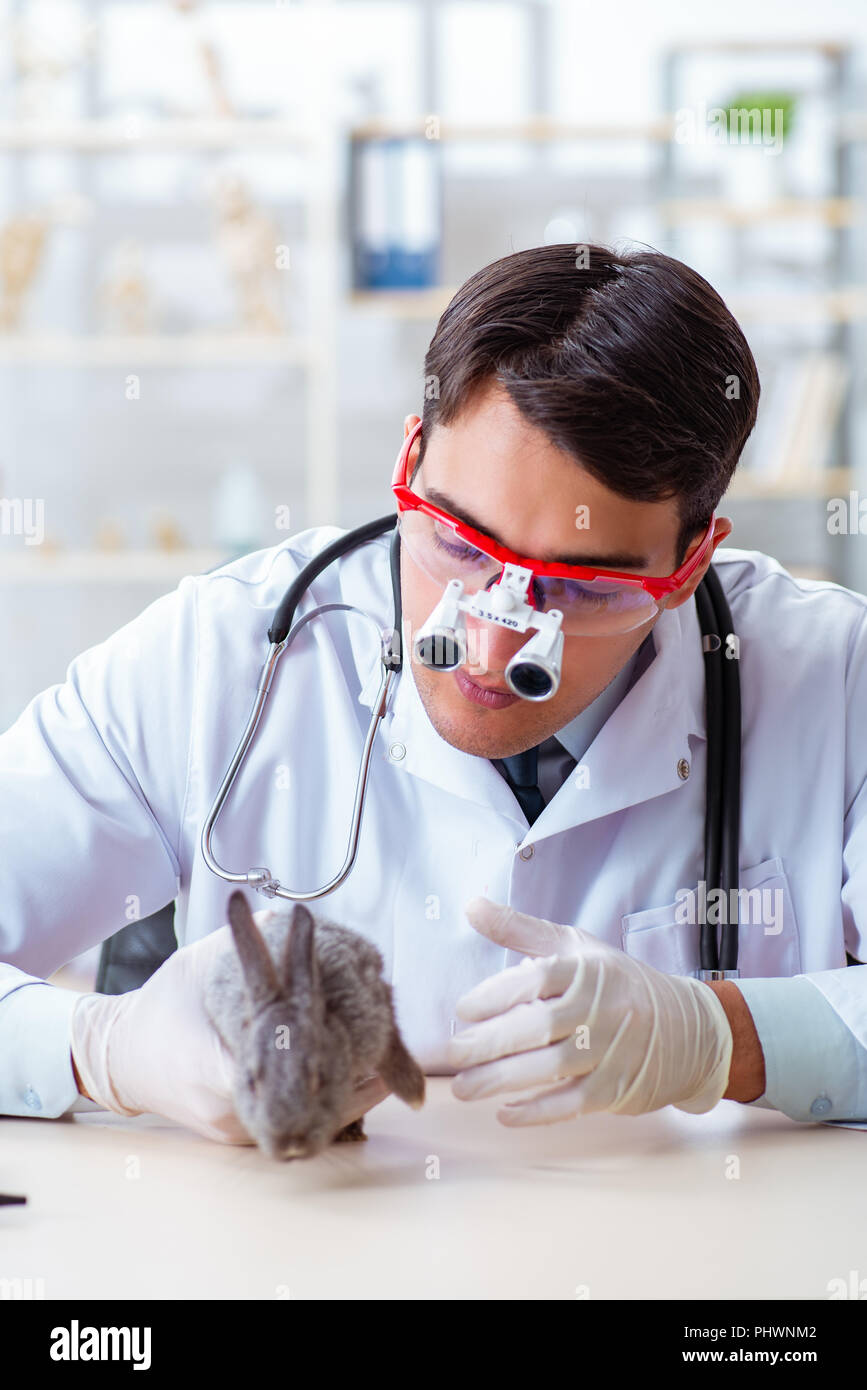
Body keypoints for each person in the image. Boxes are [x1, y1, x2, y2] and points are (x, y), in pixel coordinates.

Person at [2, 242, 866, 1144]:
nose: (489, 650)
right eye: (458, 545)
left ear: (690, 563)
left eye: (581, 589)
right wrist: (101, 1048)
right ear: (411, 464)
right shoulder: (212, 657)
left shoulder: (834, 676)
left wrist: (721, 1040)